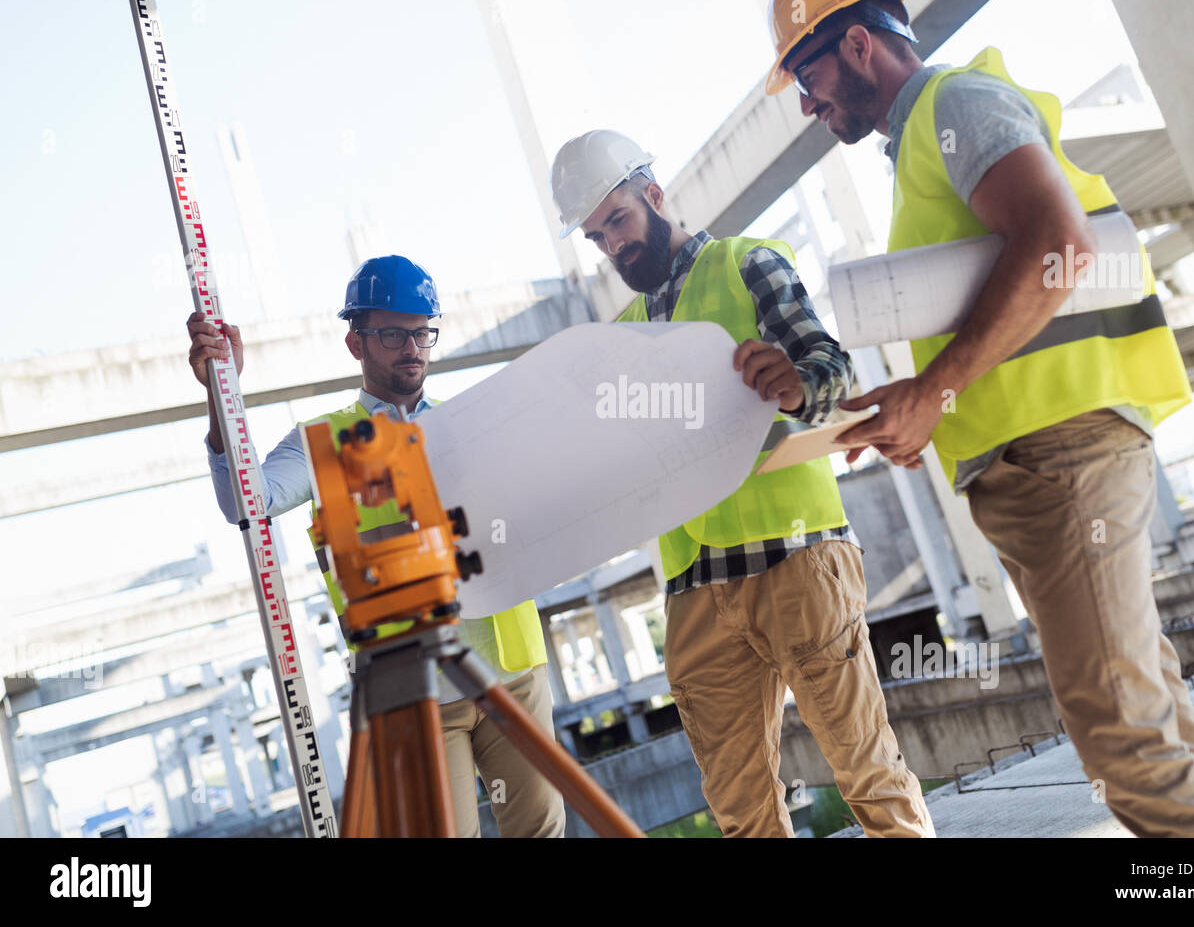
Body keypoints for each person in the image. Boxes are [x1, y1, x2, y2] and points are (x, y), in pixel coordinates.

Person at [763, 0, 1194, 836]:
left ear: (856, 43)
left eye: (808, 76)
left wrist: (935, 390)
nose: (807, 103)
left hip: (1065, 460)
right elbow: (1000, 302)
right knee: (1155, 719)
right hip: (1045, 467)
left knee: (1124, 739)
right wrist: (921, 402)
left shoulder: (955, 107)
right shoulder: (921, 140)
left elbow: (1058, 244)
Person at [549, 129, 934, 837]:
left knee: (867, 774)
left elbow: (831, 369)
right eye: (598, 238)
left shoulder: (745, 264)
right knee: (740, 813)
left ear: (655, 197)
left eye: (619, 223)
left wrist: (795, 388)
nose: (613, 247)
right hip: (694, 589)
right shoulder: (623, 334)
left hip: (797, 562)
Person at [187, 254, 565, 838]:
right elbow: (245, 501)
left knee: (541, 832)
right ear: (355, 343)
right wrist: (223, 395)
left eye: (421, 333)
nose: (411, 347)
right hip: (415, 692)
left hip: (512, 671)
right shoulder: (326, 444)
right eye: (392, 333)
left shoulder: (473, 423)